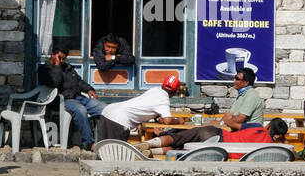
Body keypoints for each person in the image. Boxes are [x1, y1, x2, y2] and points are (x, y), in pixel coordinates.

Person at [38, 46, 105, 150]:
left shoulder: (68, 68)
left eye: (64, 58)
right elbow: (55, 83)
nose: (62, 61)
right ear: (52, 54)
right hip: (63, 100)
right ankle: (89, 143)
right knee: (80, 110)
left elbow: (79, 82)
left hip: (79, 97)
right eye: (60, 57)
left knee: (104, 108)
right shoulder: (44, 69)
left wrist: (89, 89)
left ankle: (106, 141)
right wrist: (57, 67)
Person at [96, 74, 181, 142]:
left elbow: (147, 106)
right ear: (176, 91)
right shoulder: (163, 99)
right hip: (119, 119)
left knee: (103, 150)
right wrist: (179, 120)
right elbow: (168, 120)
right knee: (114, 154)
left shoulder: (155, 90)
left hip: (108, 111)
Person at [144, 116, 289, 154]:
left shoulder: (258, 128)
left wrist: (224, 120)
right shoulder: (269, 147)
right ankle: (153, 150)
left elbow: (234, 125)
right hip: (222, 152)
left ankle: (148, 145)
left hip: (217, 135)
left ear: (268, 126)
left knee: (179, 138)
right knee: (181, 149)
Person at [220, 66, 265, 130]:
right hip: (240, 131)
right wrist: (220, 123)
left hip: (250, 134)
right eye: (234, 78)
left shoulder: (251, 95)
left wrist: (222, 124)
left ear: (246, 82)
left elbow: (240, 119)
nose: (234, 80)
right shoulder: (242, 94)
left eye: (237, 78)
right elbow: (230, 114)